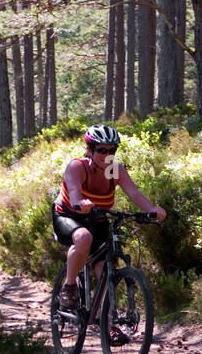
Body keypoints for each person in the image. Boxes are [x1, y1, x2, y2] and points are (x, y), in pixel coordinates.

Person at [52, 124, 165, 316]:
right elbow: (74, 193)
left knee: (105, 267)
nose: (107, 155)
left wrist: (152, 209)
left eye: (112, 150)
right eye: (101, 150)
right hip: (68, 215)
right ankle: (69, 287)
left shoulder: (113, 170)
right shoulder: (78, 167)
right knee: (83, 238)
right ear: (89, 149)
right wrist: (80, 202)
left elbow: (134, 193)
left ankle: (108, 320)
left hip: (96, 217)